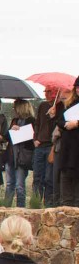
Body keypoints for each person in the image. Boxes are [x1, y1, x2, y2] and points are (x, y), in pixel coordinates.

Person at [7, 100, 36, 208]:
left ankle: (20, 207)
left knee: (20, 185)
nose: (14, 110)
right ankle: (7, 206)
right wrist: (11, 130)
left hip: (23, 156)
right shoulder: (14, 120)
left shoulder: (31, 121)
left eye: (15, 107)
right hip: (11, 156)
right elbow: (7, 138)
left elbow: (32, 139)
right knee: (9, 184)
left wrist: (21, 131)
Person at [57, 77, 79, 206]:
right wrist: (66, 124)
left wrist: (76, 123)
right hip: (68, 149)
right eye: (76, 87)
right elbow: (59, 121)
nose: (78, 90)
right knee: (66, 182)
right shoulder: (70, 104)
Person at [32, 97, 56, 204]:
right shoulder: (42, 105)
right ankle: (35, 204)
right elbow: (37, 123)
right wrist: (35, 138)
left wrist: (53, 117)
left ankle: (48, 205)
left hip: (51, 145)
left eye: (49, 91)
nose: (47, 94)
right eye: (46, 91)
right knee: (37, 177)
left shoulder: (59, 106)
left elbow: (58, 126)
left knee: (49, 178)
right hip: (39, 145)